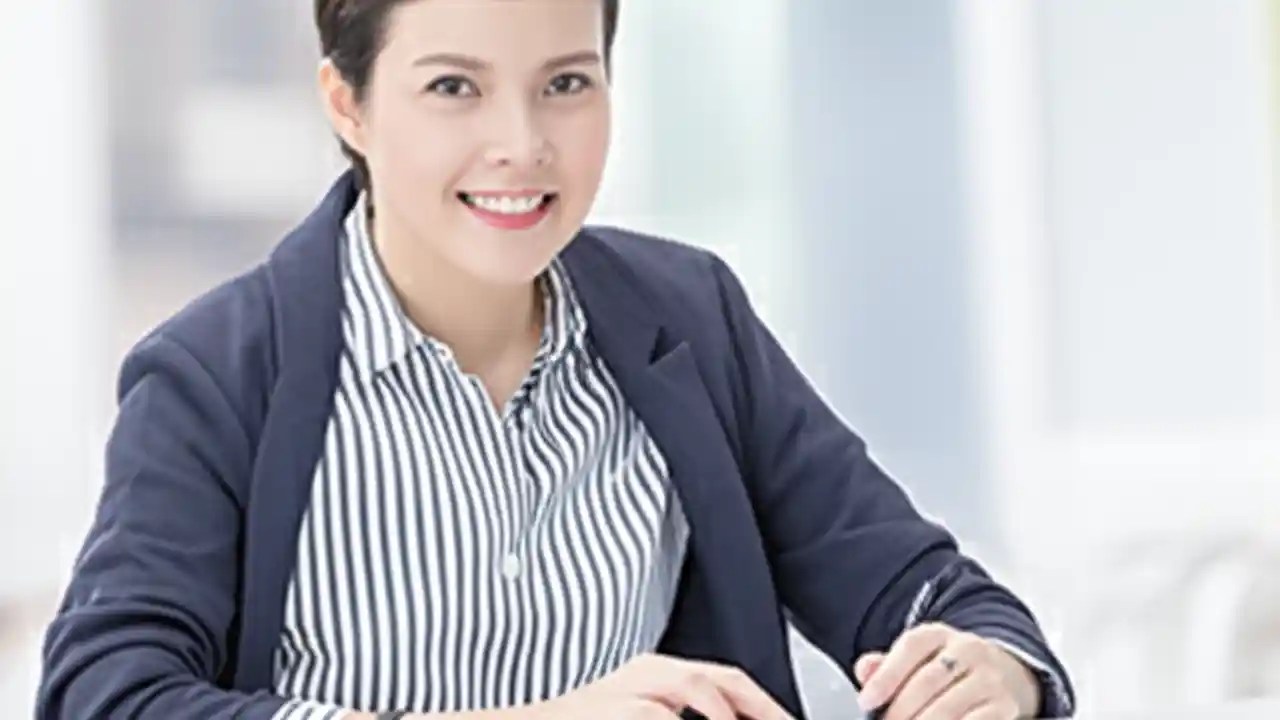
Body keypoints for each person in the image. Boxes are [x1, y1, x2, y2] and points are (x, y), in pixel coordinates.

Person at [37, 1, 1075, 719]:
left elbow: (926, 591)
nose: (522, 143)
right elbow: (106, 694)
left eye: (565, 83)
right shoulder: (214, 375)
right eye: (454, 87)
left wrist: (989, 669)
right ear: (346, 103)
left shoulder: (691, 321)